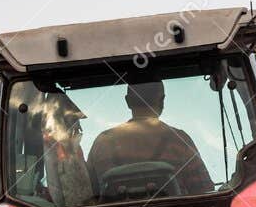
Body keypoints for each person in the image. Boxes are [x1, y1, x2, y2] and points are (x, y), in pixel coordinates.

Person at [86, 80, 214, 198]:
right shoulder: (180, 140)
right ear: (162, 100)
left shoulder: (102, 142)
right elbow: (204, 193)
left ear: (128, 101)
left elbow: (89, 196)